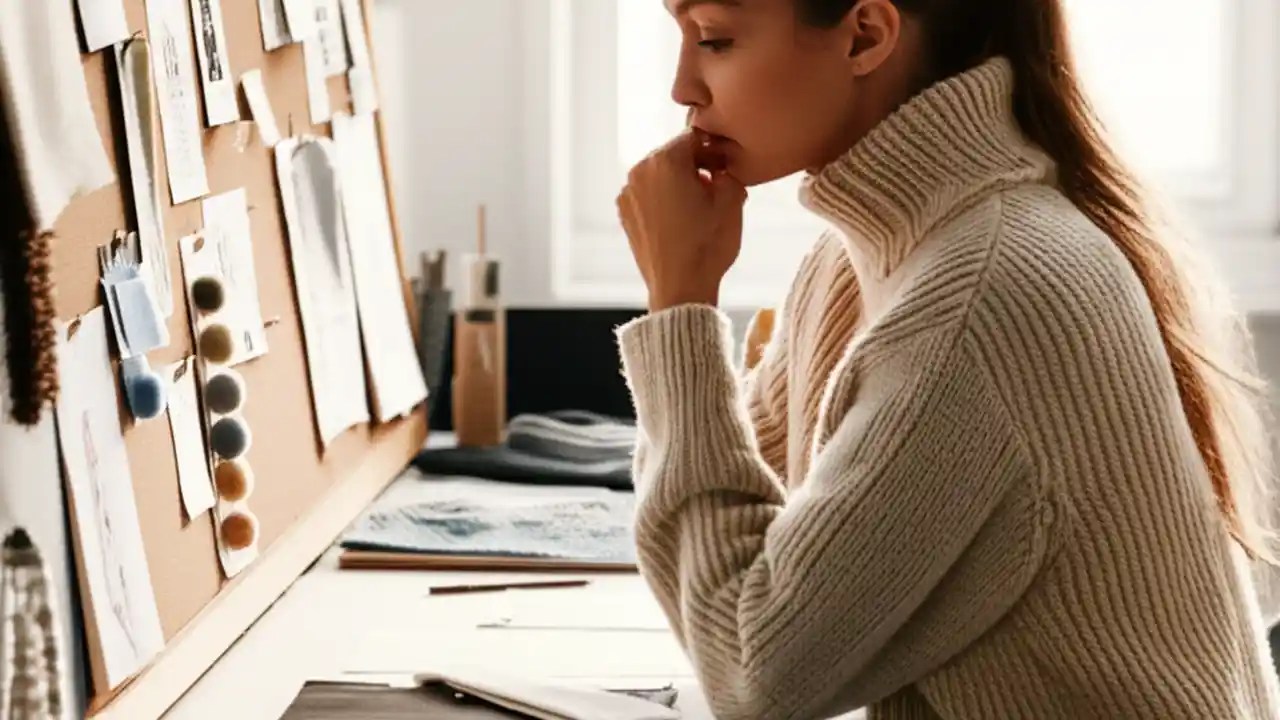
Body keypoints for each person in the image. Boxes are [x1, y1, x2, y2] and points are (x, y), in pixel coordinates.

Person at [612, 0, 1280, 718]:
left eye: (714, 39)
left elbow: (753, 671)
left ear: (865, 35)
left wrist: (681, 302)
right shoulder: (866, 256)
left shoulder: (988, 293)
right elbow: (737, 547)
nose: (683, 88)